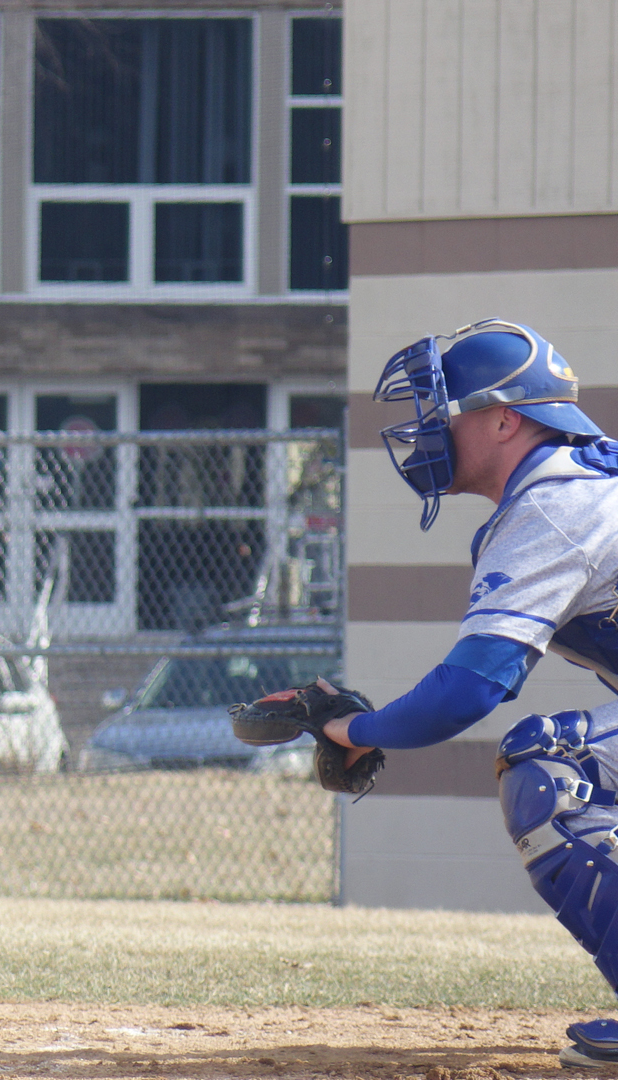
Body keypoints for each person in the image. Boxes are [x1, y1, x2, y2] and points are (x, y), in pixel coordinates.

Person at [320, 320, 618, 1070]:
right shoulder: (581, 487)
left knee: (549, 769)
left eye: (443, 407)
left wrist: (353, 730)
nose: (426, 427)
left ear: (505, 418)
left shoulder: (554, 505)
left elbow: (467, 692)